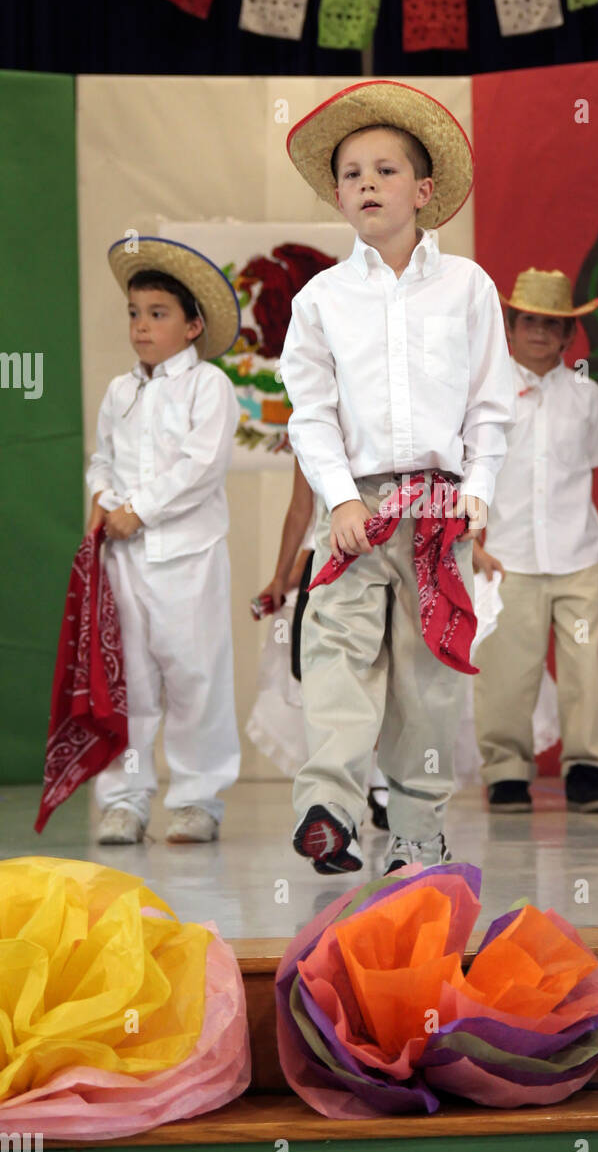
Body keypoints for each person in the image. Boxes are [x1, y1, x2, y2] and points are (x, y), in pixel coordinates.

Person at [280, 81, 515, 874]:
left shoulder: (468, 287)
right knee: (336, 653)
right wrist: (341, 497)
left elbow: (491, 400)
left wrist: (479, 484)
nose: (368, 184)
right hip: (356, 511)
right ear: (338, 195)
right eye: (351, 173)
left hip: (439, 509)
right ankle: (330, 810)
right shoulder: (321, 299)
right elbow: (308, 412)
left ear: (424, 191)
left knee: (428, 677)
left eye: (386, 170)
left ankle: (417, 831)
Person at [85, 238, 241, 844]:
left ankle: (198, 800)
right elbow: (101, 459)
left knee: (195, 677)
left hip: (188, 558)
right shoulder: (120, 391)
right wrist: (102, 503)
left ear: (192, 325)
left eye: (157, 314)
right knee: (132, 681)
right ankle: (125, 799)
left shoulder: (209, 387)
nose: (142, 326)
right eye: (134, 312)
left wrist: (139, 511)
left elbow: (200, 468)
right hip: (124, 559)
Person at [472, 269, 598, 814]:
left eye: (551, 324)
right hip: (507, 557)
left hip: (578, 554)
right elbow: (470, 475)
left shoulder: (588, 397)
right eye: (528, 320)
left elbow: (592, 469)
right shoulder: (484, 396)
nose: (538, 332)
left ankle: (589, 768)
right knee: (507, 670)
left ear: (567, 337)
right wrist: (472, 541)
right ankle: (506, 770)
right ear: (510, 328)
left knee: (585, 666)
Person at [251, 457, 389, 828]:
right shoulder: (312, 427)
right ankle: (335, 799)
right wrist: (281, 576)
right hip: (329, 561)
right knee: (332, 678)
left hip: (389, 558)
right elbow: (301, 511)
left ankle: (382, 784)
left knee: (387, 671)